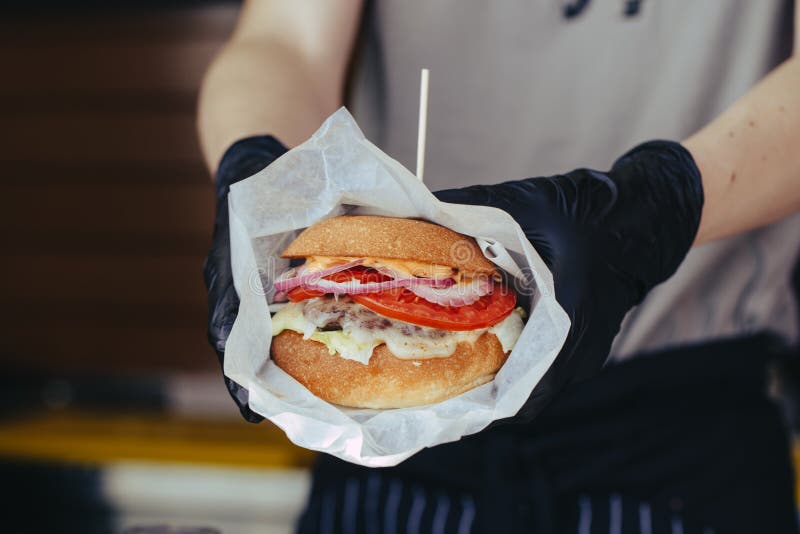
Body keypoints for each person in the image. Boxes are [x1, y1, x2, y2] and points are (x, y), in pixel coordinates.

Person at [199, 1, 800, 532]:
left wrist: (665, 202)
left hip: (685, 437)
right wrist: (258, 179)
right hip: (384, 449)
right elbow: (287, 40)